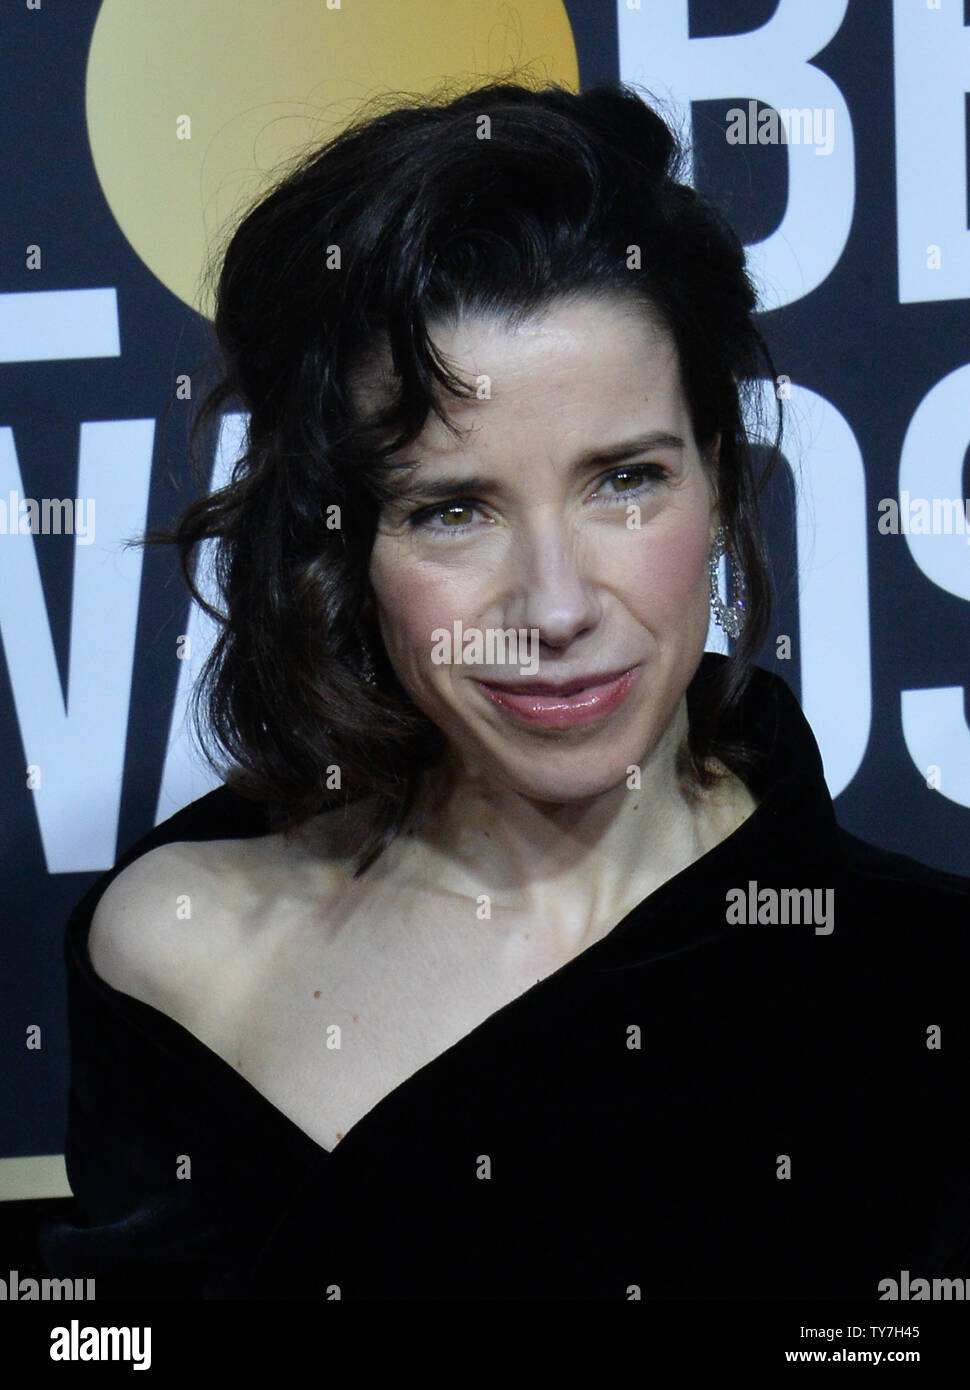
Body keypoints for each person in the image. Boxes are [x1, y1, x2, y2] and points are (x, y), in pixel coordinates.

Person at [39, 77, 970, 1300]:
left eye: (624, 480)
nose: (556, 607)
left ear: (721, 485)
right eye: (453, 509)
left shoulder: (919, 988)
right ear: (342, 549)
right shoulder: (181, 949)